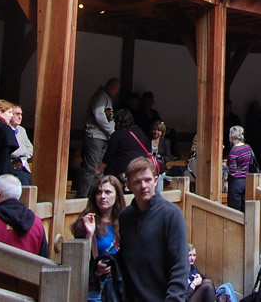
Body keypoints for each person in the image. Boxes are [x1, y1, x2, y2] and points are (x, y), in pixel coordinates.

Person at [117, 157, 189, 302]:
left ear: (156, 180)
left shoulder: (171, 214)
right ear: (128, 185)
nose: (144, 186)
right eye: (137, 181)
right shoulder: (125, 217)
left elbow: (180, 265)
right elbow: (126, 258)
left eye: (148, 180)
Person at [73, 174, 125, 302]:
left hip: (118, 284)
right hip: (95, 287)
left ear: (117, 195)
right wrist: (89, 234)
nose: (102, 196)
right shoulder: (85, 222)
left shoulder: (125, 220)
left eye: (108, 192)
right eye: (99, 193)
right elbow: (79, 259)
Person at [80, 78, 119, 197]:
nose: (116, 91)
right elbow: (99, 115)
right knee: (91, 169)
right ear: (110, 86)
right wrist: (111, 131)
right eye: (116, 88)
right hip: (95, 136)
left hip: (104, 137)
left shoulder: (107, 98)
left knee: (99, 170)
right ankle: (83, 197)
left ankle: (94, 197)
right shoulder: (100, 96)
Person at [98, 108, 150, 181]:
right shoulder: (139, 131)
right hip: (141, 164)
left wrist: (99, 170)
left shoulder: (117, 134)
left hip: (124, 167)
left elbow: (109, 155)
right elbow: (148, 147)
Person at [227, 125, 256, 211]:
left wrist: (225, 166)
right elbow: (251, 163)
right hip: (247, 180)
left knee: (235, 210)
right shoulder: (248, 147)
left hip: (236, 183)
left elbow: (233, 172)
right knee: (245, 209)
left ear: (232, 136)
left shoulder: (233, 152)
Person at [8, 104, 33, 185]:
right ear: (10, 115)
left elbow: (30, 149)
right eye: (17, 114)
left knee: (36, 182)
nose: (20, 117)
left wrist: (21, 153)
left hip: (23, 166)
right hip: (11, 168)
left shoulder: (21, 130)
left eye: (21, 114)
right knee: (24, 183)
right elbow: (11, 152)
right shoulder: (5, 130)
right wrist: (23, 151)